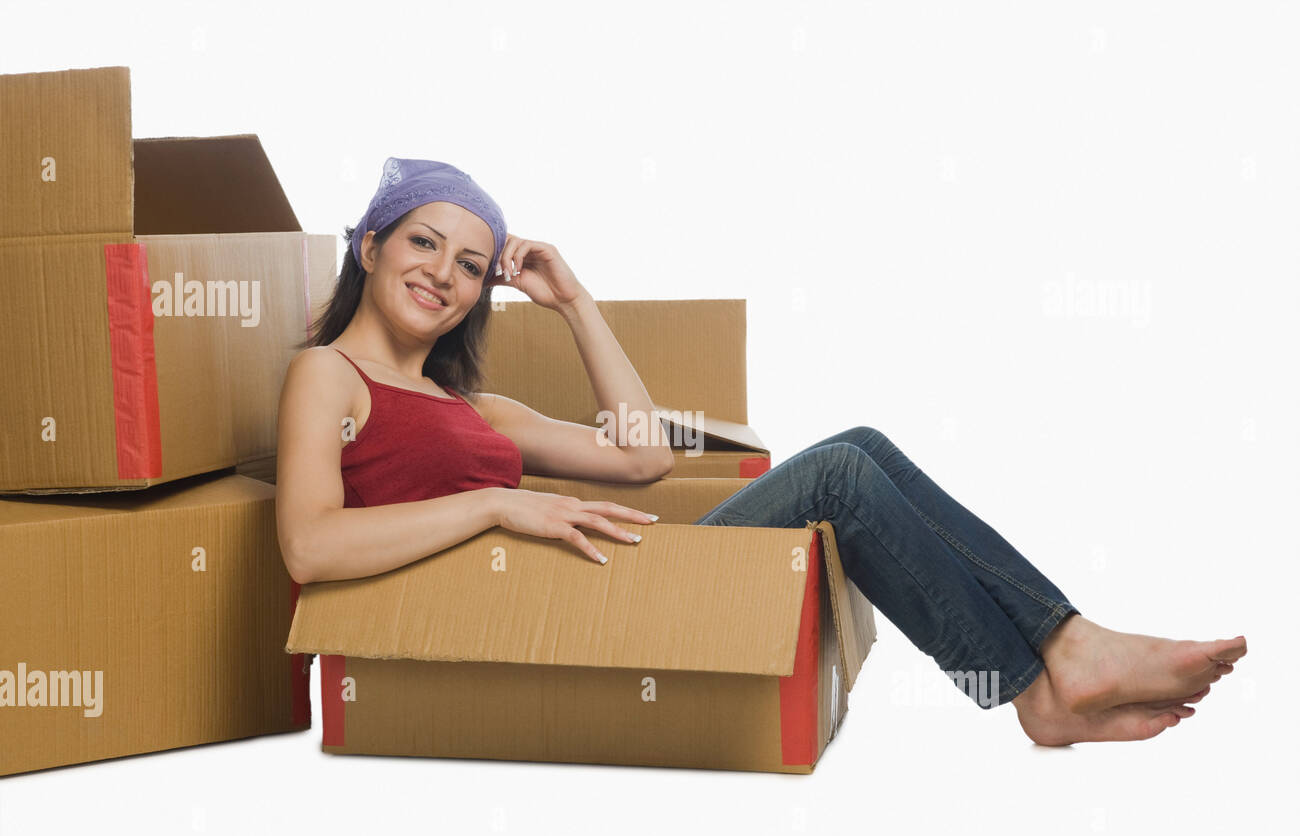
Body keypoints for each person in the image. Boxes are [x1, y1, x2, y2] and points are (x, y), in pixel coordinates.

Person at [275, 157, 1246, 749]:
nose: (444, 274)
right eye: (424, 244)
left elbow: (644, 458)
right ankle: (1048, 676)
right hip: (563, 614)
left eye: (471, 266)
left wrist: (573, 301)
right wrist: (498, 506)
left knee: (858, 444)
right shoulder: (328, 375)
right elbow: (311, 549)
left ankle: (1050, 661)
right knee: (838, 476)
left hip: (605, 579)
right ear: (369, 246)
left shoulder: (473, 403)